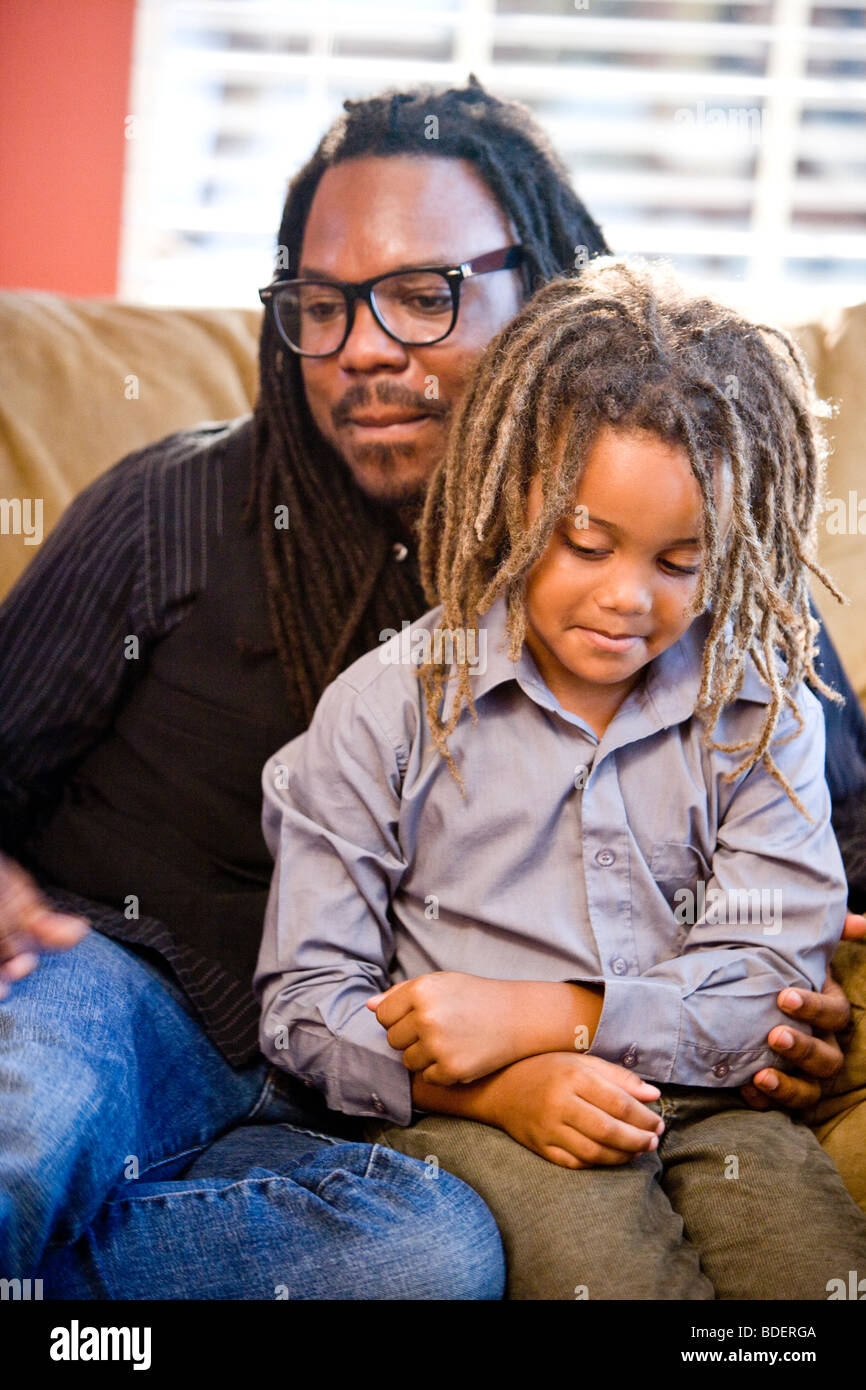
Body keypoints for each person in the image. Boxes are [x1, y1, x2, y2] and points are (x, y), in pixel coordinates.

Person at [0, 82, 861, 1295]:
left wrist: (788, 1004)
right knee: (26, 1125)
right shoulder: (172, 511)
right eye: (321, 304)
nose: (361, 347)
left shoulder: (709, 596)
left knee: (429, 1259)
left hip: (375, 1118)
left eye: (422, 294)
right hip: (141, 986)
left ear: (548, 290)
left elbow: (824, 858)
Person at [256, 258, 866, 1300]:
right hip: (482, 1112)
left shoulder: (763, 708)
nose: (627, 598)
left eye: (680, 561)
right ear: (509, 497)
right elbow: (305, 1002)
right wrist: (498, 1084)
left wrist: (556, 1013)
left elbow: (765, 978)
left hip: (712, 1103)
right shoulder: (385, 707)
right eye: (584, 542)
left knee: (810, 1282)